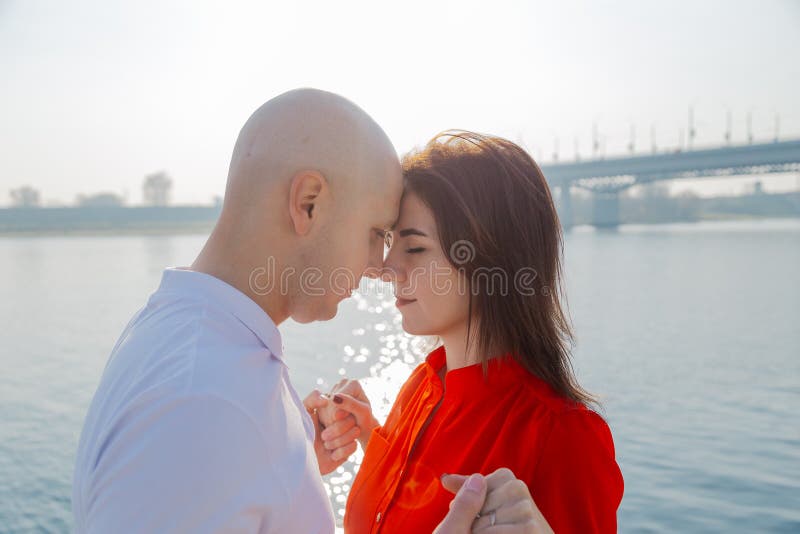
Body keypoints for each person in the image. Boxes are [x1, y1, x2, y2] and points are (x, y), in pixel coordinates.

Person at [72, 89, 541, 533]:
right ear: (308, 204)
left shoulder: (186, 346)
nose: (380, 266)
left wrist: (288, 469)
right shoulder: (203, 403)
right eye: (377, 233)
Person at [312, 131, 624, 533]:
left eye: (416, 248)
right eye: (390, 242)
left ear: (492, 260)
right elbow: (420, 500)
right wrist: (374, 439)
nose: (387, 267)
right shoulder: (423, 387)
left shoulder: (562, 437)